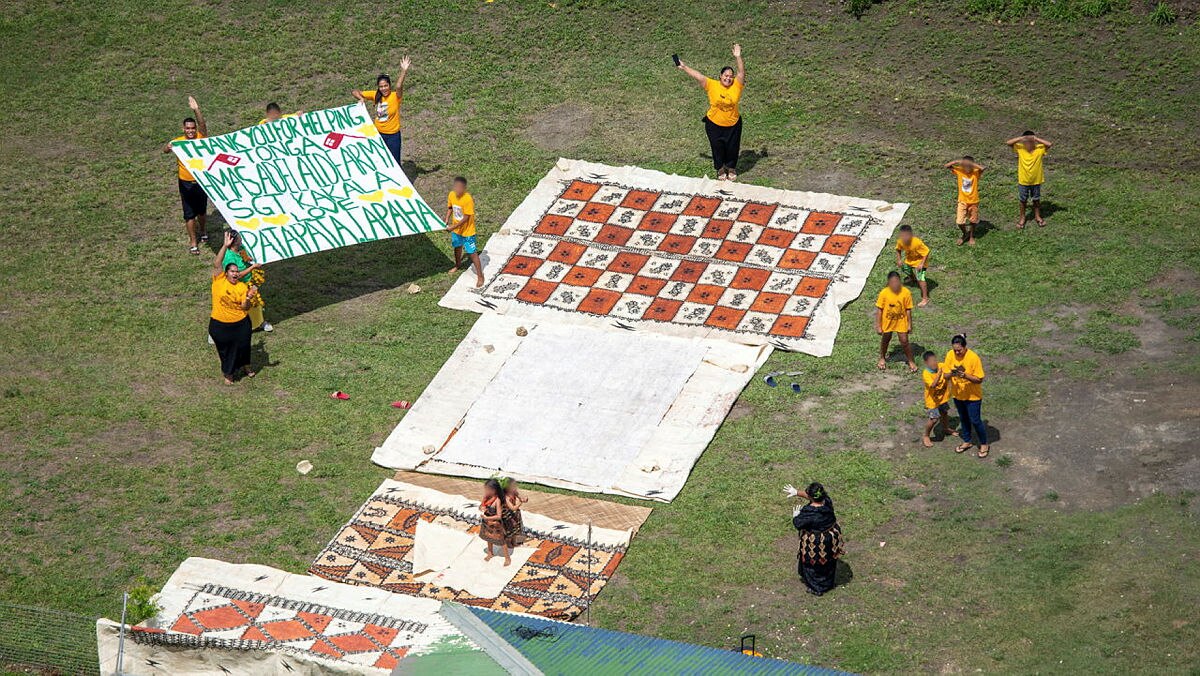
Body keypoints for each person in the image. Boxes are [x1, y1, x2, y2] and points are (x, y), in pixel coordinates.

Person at [677, 44, 745, 181]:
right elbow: (699, 76)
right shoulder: (712, 85)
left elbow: (741, 72)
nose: (728, 78)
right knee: (717, 147)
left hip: (733, 124)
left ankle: (731, 168)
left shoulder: (737, 86)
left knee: (732, 147)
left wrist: (738, 57)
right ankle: (720, 169)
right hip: (714, 124)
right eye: (725, 76)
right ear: (720, 76)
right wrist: (684, 67)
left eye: (730, 76)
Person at [161, 96, 208, 255]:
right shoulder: (178, 142)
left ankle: (203, 231)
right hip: (185, 183)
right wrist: (167, 147)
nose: (190, 131)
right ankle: (193, 242)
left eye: (192, 128)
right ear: (183, 129)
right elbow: (165, 150)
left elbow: (203, 125)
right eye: (187, 128)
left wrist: (196, 109)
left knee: (201, 211)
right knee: (189, 214)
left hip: (200, 181)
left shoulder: (200, 139)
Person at [209, 232, 258, 385]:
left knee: (243, 345)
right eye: (232, 271)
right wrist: (225, 245)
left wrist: (249, 297)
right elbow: (217, 263)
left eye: (237, 272)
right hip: (220, 324)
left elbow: (245, 306)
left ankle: (246, 365)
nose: (236, 274)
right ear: (226, 272)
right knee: (225, 350)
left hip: (240, 323)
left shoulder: (242, 287)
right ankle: (228, 373)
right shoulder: (219, 281)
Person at [784, 482, 845, 596]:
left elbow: (798, 524)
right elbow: (814, 498)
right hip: (830, 540)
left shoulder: (810, 513)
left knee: (813, 565)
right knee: (829, 562)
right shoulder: (827, 502)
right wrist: (797, 492)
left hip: (816, 544)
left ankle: (818, 588)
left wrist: (796, 516)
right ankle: (827, 583)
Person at [352, 59, 410, 167]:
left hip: (393, 136)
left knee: (395, 163)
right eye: (381, 86)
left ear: (389, 85)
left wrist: (404, 71)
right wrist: (361, 98)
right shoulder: (375, 95)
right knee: (380, 162)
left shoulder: (395, 96)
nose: (384, 88)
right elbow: (354, 91)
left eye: (386, 85)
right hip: (378, 134)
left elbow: (399, 87)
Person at [945, 334, 988, 457]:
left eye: (959, 350)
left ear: (965, 347)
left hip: (972, 396)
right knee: (963, 418)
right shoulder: (950, 355)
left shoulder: (973, 358)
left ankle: (984, 443)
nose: (957, 353)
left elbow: (979, 379)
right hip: (958, 395)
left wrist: (966, 376)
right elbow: (945, 375)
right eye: (955, 350)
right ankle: (967, 441)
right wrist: (952, 374)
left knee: (975, 420)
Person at [221, 231, 272, 332]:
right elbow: (237, 275)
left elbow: (244, 255)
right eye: (240, 238)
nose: (241, 239)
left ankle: (260, 322)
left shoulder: (240, 248)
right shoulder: (229, 258)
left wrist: (247, 258)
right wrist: (252, 267)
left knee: (255, 303)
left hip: (249, 282)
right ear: (235, 242)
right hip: (238, 285)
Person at [1006, 131, 1053, 229]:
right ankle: (1022, 218)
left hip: (1036, 180)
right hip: (1023, 181)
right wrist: (1021, 138)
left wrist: (1035, 138)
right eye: (1026, 141)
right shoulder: (1020, 148)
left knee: (1036, 200)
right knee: (1023, 200)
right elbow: (1008, 143)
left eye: (1030, 141)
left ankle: (1037, 216)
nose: (1028, 143)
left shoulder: (1040, 149)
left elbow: (1049, 144)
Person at [445, 177, 485, 287]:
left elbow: (466, 218)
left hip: (467, 231)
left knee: (472, 253)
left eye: (460, 187)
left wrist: (453, 227)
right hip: (456, 230)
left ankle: (480, 276)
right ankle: (458, 265)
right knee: (457, 247)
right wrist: (446, 219)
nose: (457, 189)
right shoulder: (451, 195)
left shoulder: (467, 199)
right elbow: (450, 208)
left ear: (464, 188)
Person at [875, 271, 916, 372]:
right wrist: (879, 326)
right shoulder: (884, 293)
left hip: (901, 321)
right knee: (885, 340)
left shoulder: (906, 292)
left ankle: (910, 361)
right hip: (887, 322)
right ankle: (882, 358)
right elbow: (879, 310)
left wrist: (910, 324)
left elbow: (908, 310)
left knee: (904, 341)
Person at [943, 156, 984, 245]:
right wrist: (958, 161)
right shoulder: (959, 170)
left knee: (973, 220)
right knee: (959, 222)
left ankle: (971, 236)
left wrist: (971, 164)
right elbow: (946, 166)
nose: (967, 168)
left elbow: (983, 168)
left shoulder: (976, 172)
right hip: (962, 201)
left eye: (969, 166)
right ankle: (965, 233)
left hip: (973, 201)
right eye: (965, 166)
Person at [920, 350, 954, 447]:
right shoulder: (926, 373)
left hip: (942, 398)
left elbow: (949, 368)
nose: (934, 363)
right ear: (926, 363)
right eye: (931, 361)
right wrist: (939, 375)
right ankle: (926, 436)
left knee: (944, 413)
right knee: (934, 419)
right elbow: (933, 386)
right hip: (932, 401)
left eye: (935, 360)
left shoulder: (941, 366)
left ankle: (946, 428)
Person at [479, 478, 515, 566]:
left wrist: (487, 518)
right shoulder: (486, 498)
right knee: (488, 538)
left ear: (494, 490)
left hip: (495, 524)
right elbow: (480, 506)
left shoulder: (497, 501)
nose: (486, 491)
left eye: (487, 489)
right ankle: (490, 552)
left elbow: (499, 516)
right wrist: (481, 508)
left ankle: (507, 557)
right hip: (487, 523)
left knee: (501, 541)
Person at [894, 225, 931, 307]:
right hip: (910, 260)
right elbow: (898, 249)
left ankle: (925, 298)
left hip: (921, 262)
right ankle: (913, 278)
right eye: (902, 236)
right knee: (905, 268)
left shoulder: (917, 242)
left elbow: (926, 252)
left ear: (911, 235)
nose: (904, 238)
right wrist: (899, 260)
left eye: (906, 235)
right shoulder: (900, 241)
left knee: (920, 278)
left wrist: (921, 264)